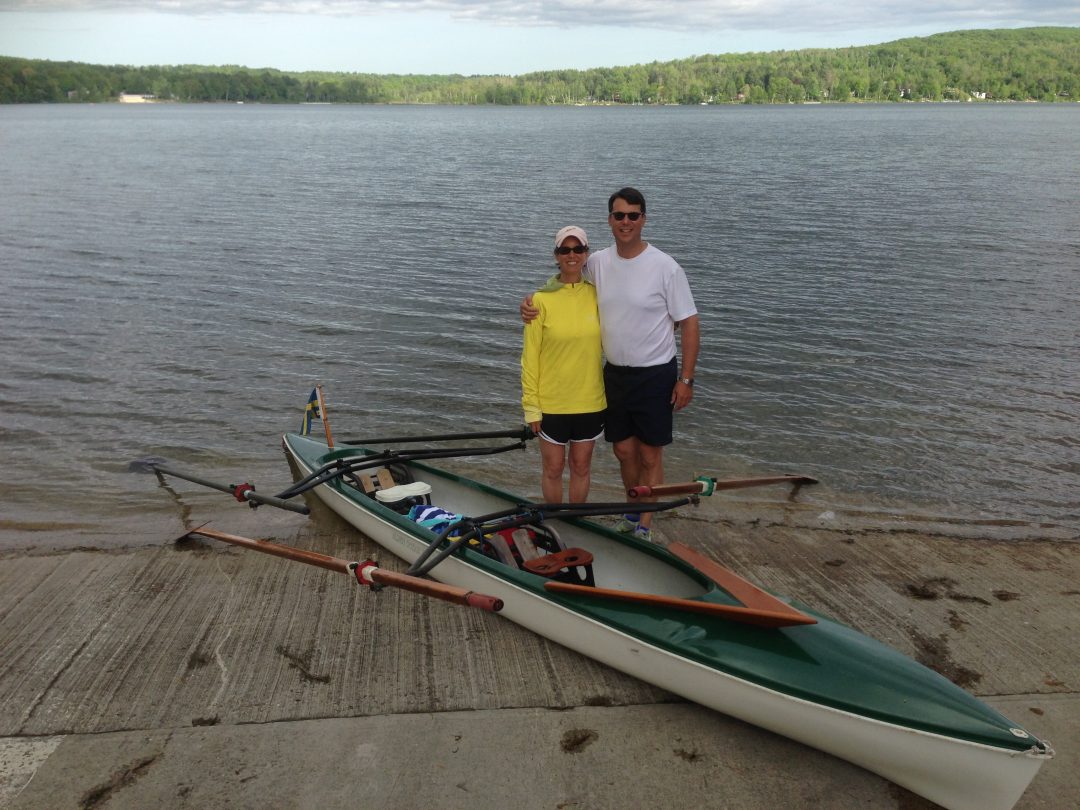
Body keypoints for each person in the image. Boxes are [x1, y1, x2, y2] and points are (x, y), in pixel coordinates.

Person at [522, 188, 699, 542]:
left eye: (633, 215)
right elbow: (563, 276)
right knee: (623, 450)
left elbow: (689, 321)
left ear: (644, 219)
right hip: (614, 376)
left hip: (655, 374)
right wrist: (529, 304)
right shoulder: (598, 262)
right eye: (619, 216)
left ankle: (645, 526)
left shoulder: (665, 266)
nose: (626, 222)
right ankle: (631, 512)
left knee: (650, 454)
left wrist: (687, 379)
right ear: (610, 220)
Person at [521, 226, 606, 503]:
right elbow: (530, 357)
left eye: (578, 249)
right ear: (556, 255)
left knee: (581, 467)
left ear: (586, 254)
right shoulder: (539, 301)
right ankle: (556, 526)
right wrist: (531, 407)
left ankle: (576, 523)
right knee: (553, 468)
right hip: (552, 403)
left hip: (590, 401)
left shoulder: (598, 296)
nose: (572, 255)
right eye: (565, 250)